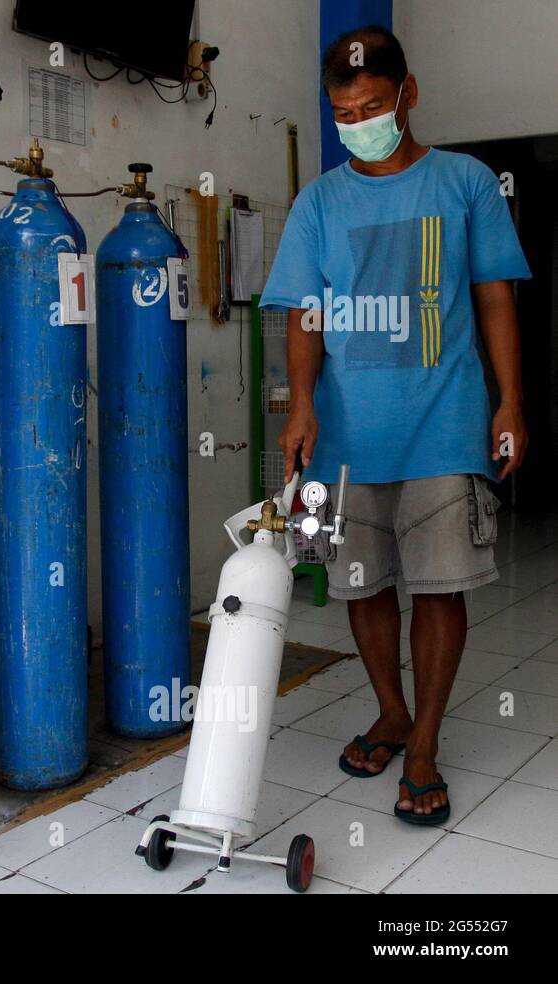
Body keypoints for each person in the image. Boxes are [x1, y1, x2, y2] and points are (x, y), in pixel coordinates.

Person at [259, 25, 531, 825]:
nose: (359, 123)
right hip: (345, 435)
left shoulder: (467, 183)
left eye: (372, 106)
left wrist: (511, 401)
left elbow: (493, 297)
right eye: (345, 112)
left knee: (442, 587)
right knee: (360, 582)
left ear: (407, 95)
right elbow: (305, 316)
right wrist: (300, 405)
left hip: (444, 422)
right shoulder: (319, 201)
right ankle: (390, 710)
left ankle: (424, 746)